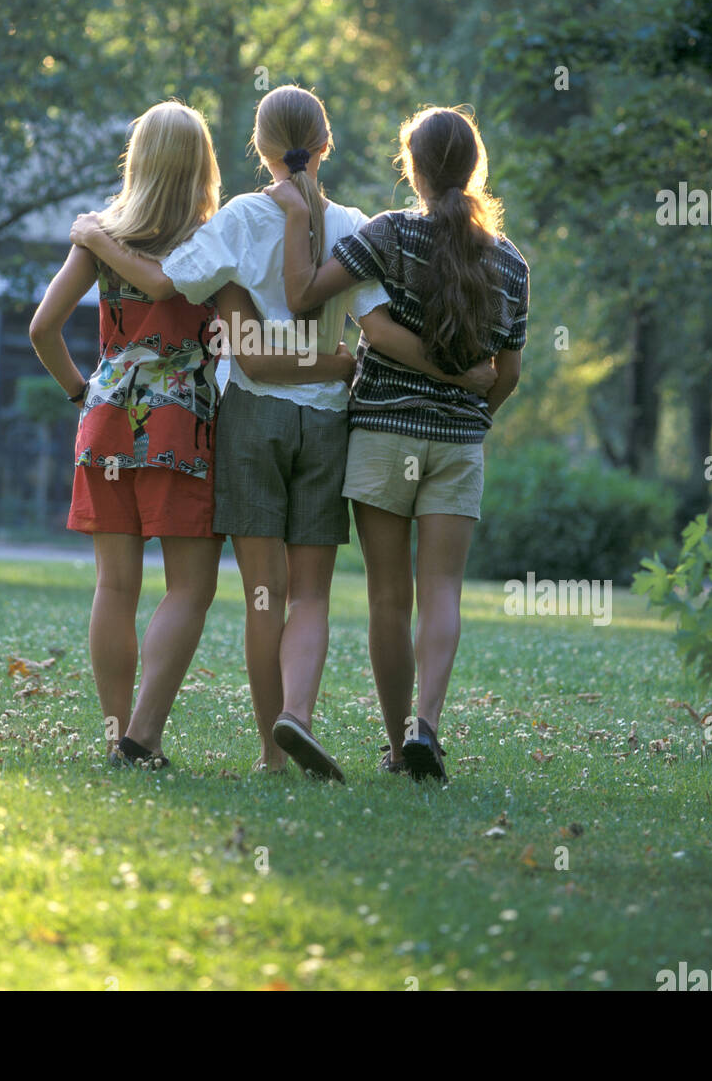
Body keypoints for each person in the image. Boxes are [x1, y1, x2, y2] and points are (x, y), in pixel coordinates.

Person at [72, 86, 494, 781]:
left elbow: (161, 281)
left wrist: (92, 236)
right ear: (325, 145)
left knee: (262, 593)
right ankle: (296, 713)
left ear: (261, 150)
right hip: (328, 422)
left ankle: (272, 752)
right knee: (311, 594)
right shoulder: (356, 224)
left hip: (252, 420)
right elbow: (375, 326)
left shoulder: (240, 217)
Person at [272, 105, 528, 782]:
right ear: (475, 169)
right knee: (442, 587)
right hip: (457, 444)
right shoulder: (511, 264)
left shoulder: (386, 236)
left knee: (390, 596)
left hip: (384, 432)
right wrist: (473, 415)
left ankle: (395, 745)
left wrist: (298, 219)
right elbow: (508, 375)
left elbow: (303, 298)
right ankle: (428, 728)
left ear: (411, 169)